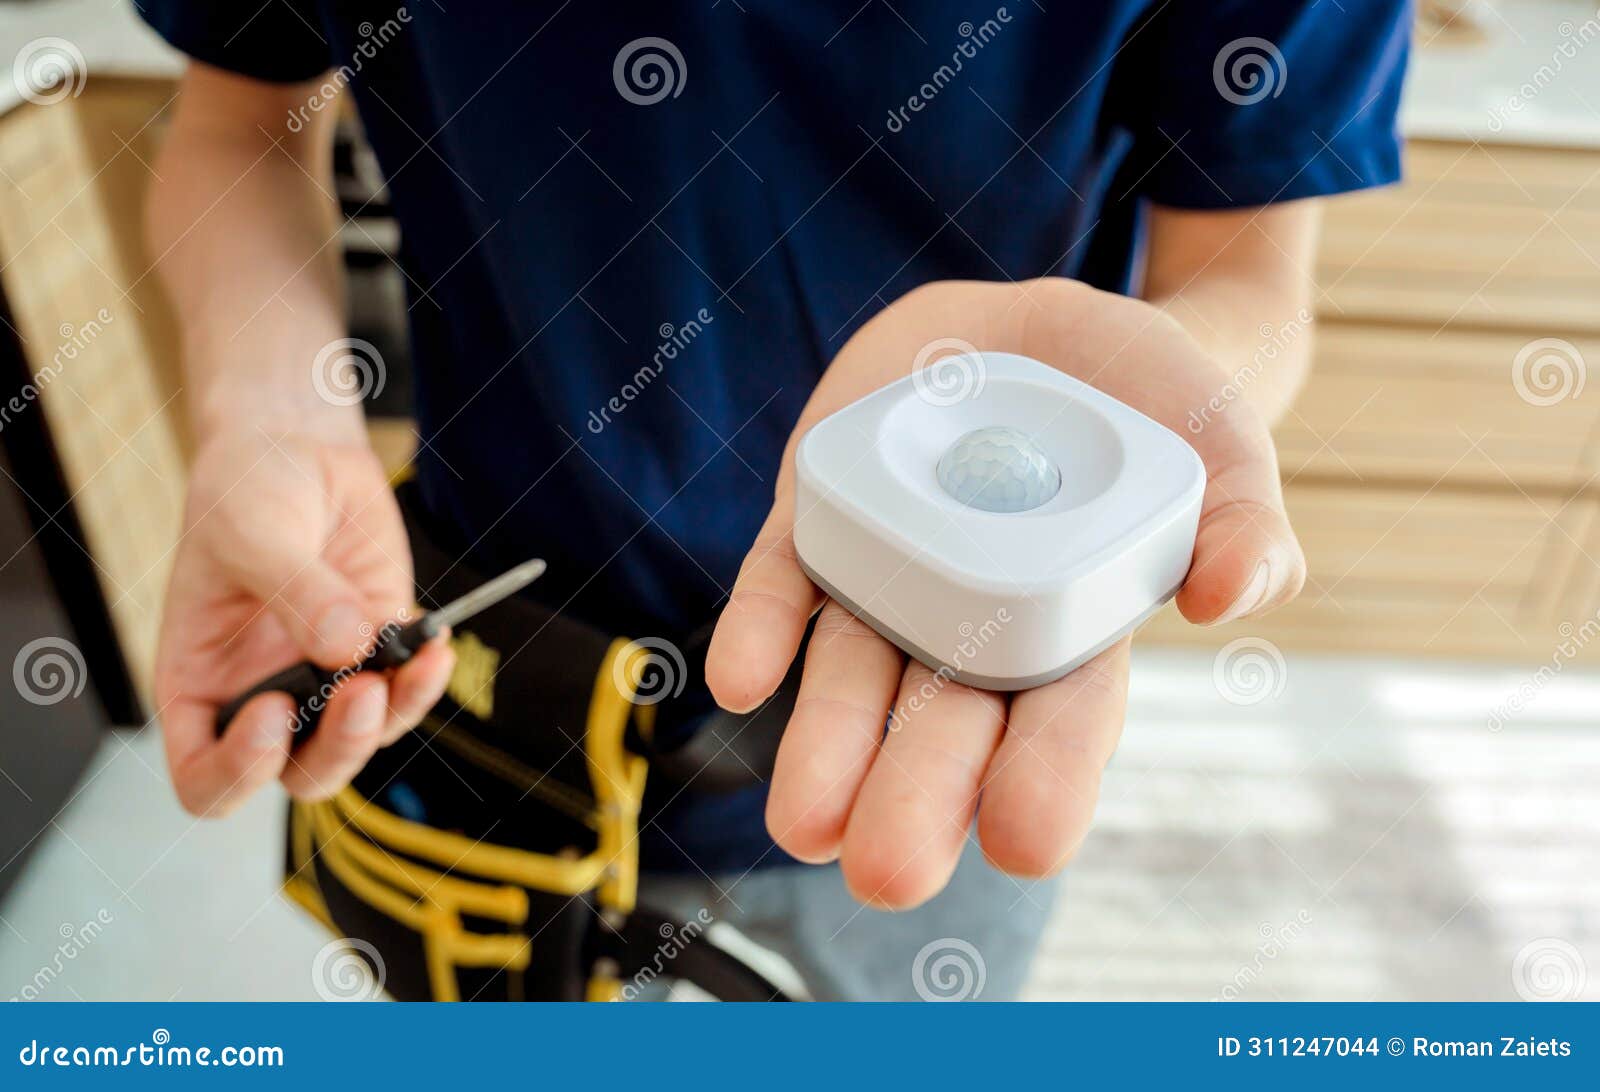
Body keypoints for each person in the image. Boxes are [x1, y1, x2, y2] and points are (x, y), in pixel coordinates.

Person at [138, 2, 1409, 1000]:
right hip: (488, 672)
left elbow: (1245, 263)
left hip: (946, 714)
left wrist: (1150, 433)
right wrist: (270, 408)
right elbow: (236, 122)